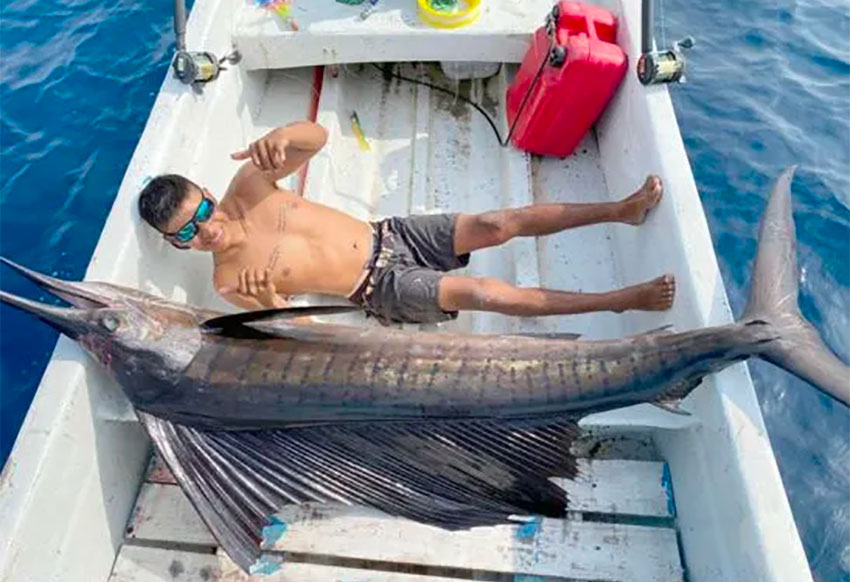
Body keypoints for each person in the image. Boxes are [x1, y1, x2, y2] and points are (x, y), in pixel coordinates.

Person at [137, 121, 675, 325]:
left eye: (201, 213)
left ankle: (620, 210)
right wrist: (272, 305)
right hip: (379, 288)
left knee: (497, 222)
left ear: (208, 195)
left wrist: (284, 135)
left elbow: (316, 139)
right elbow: (301, 332)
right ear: (177, 244)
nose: (205, 230)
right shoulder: (228, 281)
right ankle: (618, 301)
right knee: (483, 292)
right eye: (186, 233)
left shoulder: (249, 184)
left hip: (388, 232)